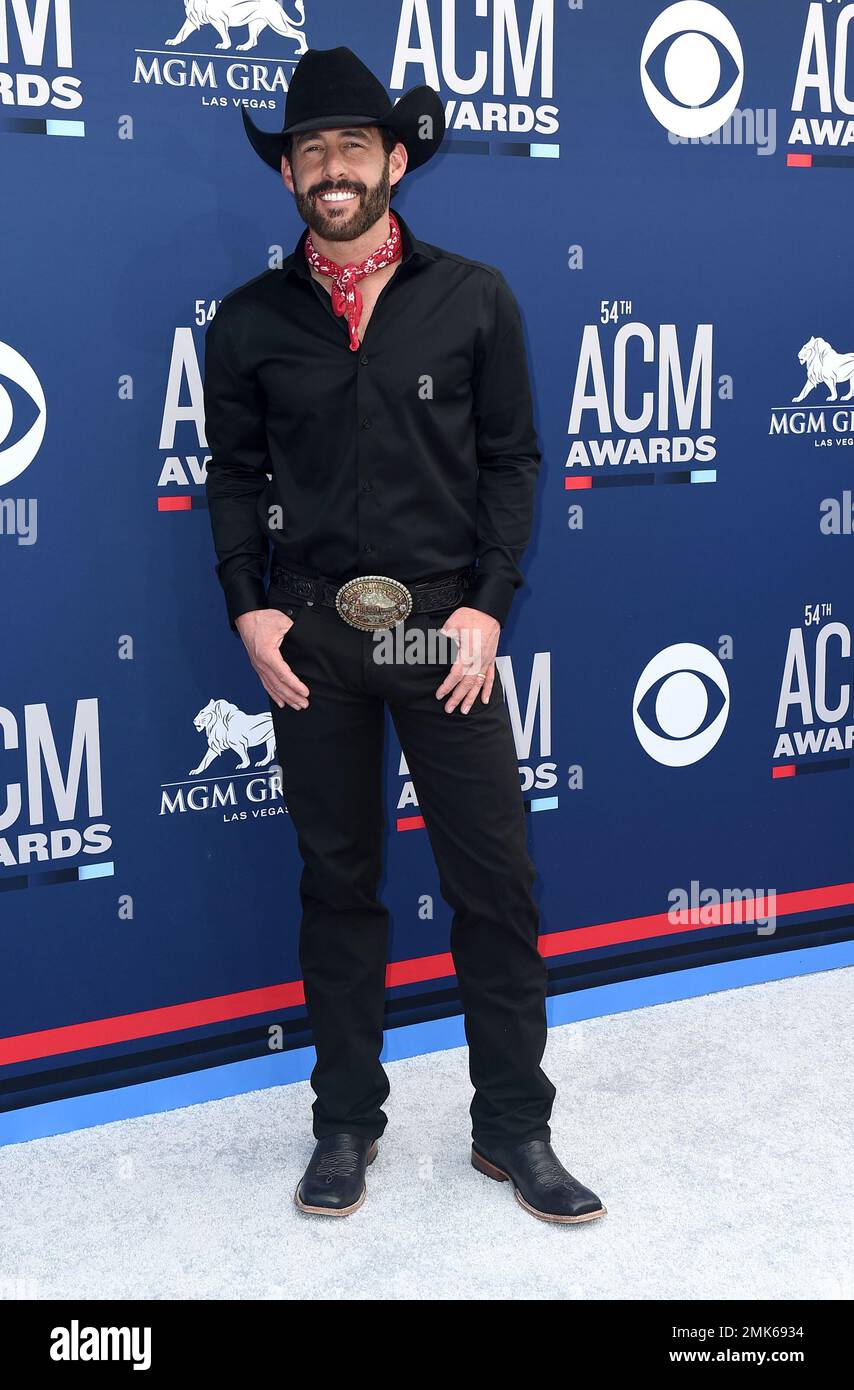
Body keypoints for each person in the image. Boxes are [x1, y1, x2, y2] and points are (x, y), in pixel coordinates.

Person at [203, 46, 606, 1226]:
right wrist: (248, 602)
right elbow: (230, 476)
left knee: (494, 883)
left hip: (447, 636)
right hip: (314, 639)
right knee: (338, 887)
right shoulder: (248, 324)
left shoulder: (473, 297)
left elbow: (513, 460)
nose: (332, 168)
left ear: (394, 159)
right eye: (309, 150)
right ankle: (343, 1125)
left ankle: (513, 1130)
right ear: (287, 175)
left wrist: (486, 601)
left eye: (352, 146)